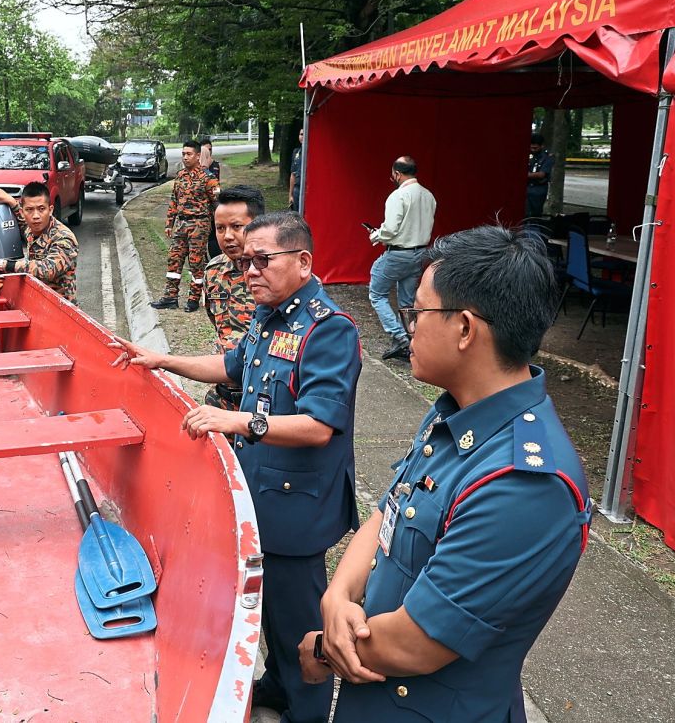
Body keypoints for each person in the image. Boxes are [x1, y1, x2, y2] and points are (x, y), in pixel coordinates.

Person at [300, 225, 591, 723]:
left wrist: (322, 651)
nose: (409, 325)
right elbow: (389, 512)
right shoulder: (457, 414)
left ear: (465, 329)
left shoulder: (522, 483)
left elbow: (417, 644)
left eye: (417, 311)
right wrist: (337, 594)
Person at [112, 211, 361, 723]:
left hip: (296, 507)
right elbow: (231, 366)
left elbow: (319, 424)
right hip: (261, 494)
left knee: (298, 620)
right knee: (268, 608)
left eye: (263, 261)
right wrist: (162, 361)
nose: (250, 272)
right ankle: (278, 683)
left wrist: (238, 421)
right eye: (247, 262)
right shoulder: (269, 316)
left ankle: (308, 710)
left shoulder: (328, 331)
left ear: (302, 261)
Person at [368, 156, 436, 361]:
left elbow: (390, 229)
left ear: (397, 173)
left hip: (399, 253)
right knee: (406, 301)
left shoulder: (398, 196)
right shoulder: (428, 195)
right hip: (420, 252)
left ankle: (399, 338)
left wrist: (375, 235)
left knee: (377, 294)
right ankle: (412, 338)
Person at [202, 184, 264, 411]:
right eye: (220, 228)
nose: (227, 236)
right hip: (222, 399)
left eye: (237, 226)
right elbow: (217, 324)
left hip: (264, 403)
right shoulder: (214, 271)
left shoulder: (281, 276)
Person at [0, 182, 78, 302]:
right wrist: (10, 201)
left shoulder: (64, 238)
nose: (36, 216)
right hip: (36, 299)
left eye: (41, 209)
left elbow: (48, 269)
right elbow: (24, 224)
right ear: (23, 212)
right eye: (29, 210)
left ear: (50, 210)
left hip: (61, 308)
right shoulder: (31, 228)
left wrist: (0, 264)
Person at [150, 140, 219, 312]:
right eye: (183, 154)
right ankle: (170, 297)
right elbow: (174, 200)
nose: (185, 157)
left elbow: (218, 203)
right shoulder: (180, 176)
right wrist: (169, 223)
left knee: (196, 262)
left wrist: (218, 226)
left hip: (199, 224)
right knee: (174, 259)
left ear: (197, 156)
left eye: (189, 154)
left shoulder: (208, 178)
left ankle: (194, 299)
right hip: (181, 224)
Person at [526, 131, 554, 217]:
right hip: (527, 187)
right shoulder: (529, 156)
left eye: (535, 148)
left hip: (538, 189)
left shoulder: (547, 158)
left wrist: (527, 175)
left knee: (535, 213)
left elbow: (542, 174)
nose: (533, 150)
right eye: (531, 148)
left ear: (542, 146)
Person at [289, 129, 304, 211]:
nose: (302, 137)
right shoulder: (296, 152)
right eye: (301, 134)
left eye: (304, 134)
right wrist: (290, 195)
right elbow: (292, 174)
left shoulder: (313, 152)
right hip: (297, 189)